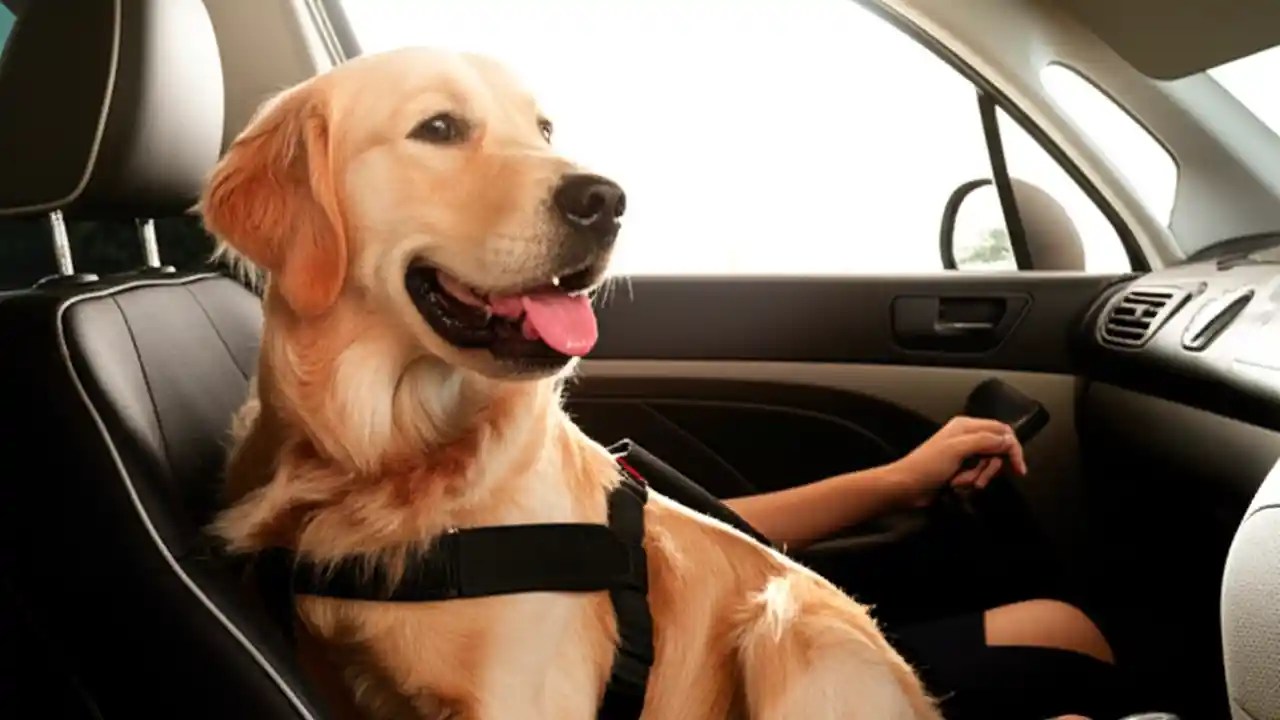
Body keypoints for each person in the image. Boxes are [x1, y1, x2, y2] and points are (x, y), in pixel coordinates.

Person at [712, 416, 1139, 720]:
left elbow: (694, 530)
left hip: (737, 658)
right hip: (715, 691)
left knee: (1060, 628)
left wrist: (900, 482)